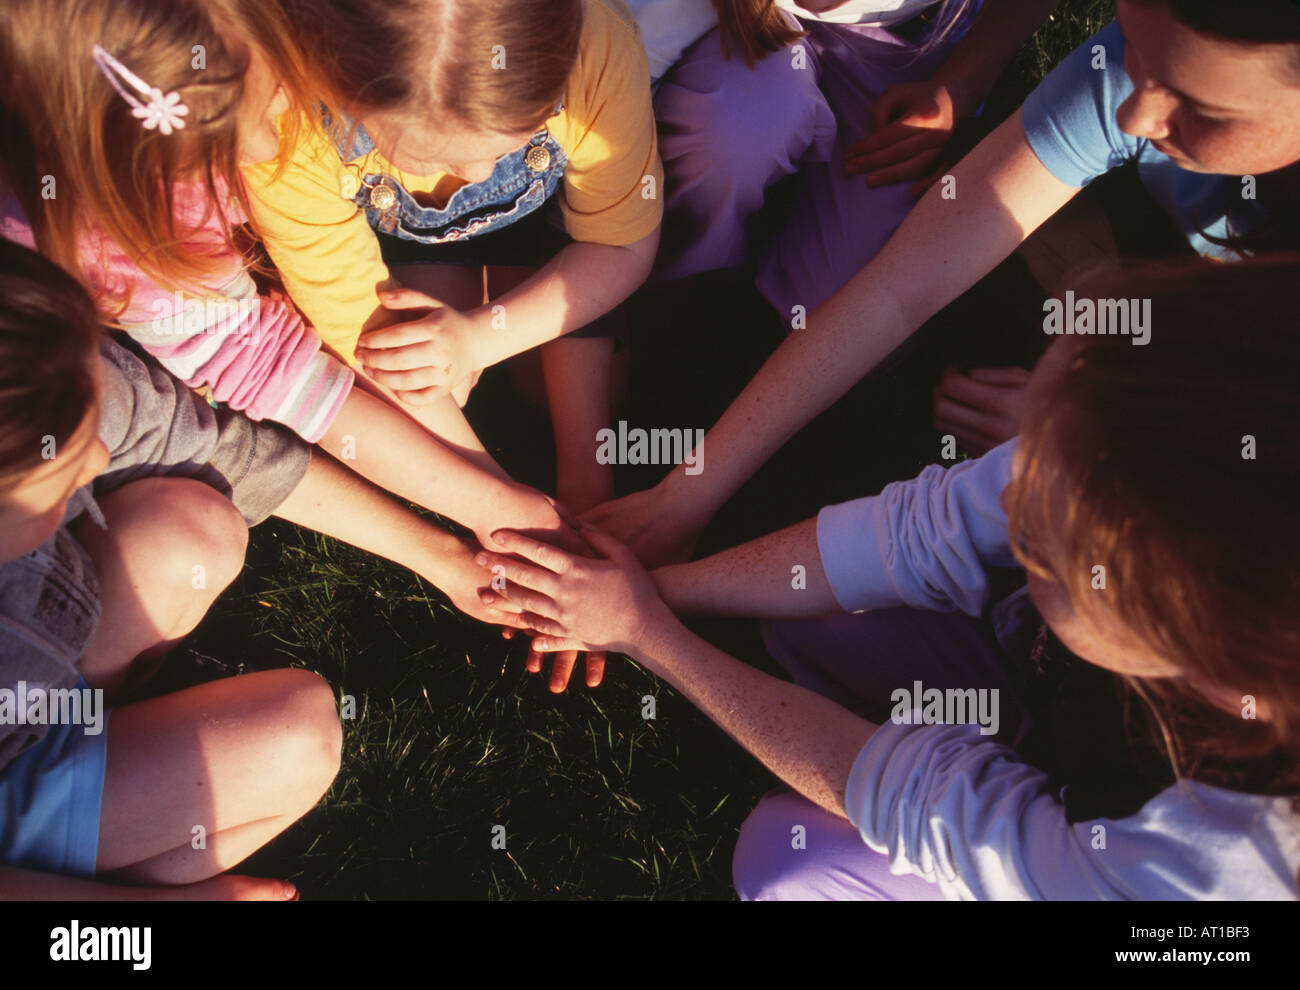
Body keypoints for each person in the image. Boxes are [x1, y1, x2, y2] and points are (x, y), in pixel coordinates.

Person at [475, 257, 1300, 899]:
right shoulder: (1185, 447)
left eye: (1045, 551)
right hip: (1087, 726)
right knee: (816, 621)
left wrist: (649, 636)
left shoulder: (1213, 883)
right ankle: (1020, 726)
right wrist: (667, 589)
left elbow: (921, 804)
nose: (1011, 497)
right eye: (1031, 449)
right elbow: (916, 535)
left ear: (1220, 674)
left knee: (784, 863)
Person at [586, 0, 1300, 567]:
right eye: (1133, 49)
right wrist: (687, 493)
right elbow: (902, 288)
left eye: (1199, 108)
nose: (1133, 116)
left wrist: (1107, 432)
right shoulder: (1137, 74)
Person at [243, 0, 663, 516]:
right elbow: (353, 319)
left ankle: (587, 480)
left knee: (578, 394)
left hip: (550, 231)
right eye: (434, 155)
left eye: (516, 134)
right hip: (405, 242)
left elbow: (619, 243)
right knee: (424, 378)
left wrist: (478, 339)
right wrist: (497, 495)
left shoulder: (598, 42)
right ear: (344, 89)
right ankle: (507, 473)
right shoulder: (291, 124)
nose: (480, 172)